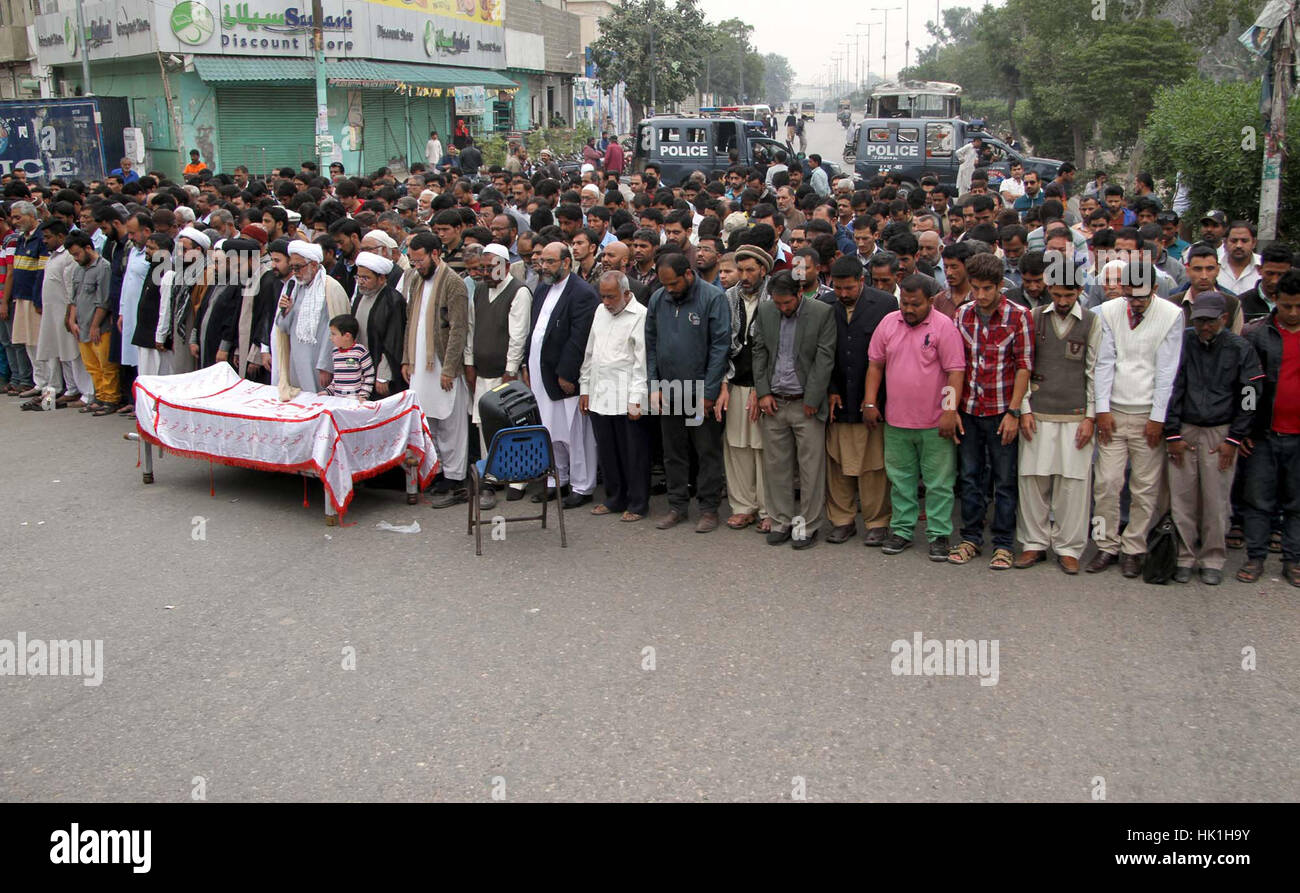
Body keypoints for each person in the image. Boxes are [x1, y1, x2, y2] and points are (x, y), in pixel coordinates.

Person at [1088, 260, 1184, 576]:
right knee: (1106, 483)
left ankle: (1134, 548)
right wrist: (1101, 410)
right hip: (1113, 411)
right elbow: (1104, 363)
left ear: (1155, 290)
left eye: (1143, 296)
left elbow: (1167, 370)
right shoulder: (1108, 311)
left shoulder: (1171, 315)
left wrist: (1158, 418)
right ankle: (1106, 545)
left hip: (1147, 414)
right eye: (1131, 295)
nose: (1136, 302)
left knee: (1144, 487)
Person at [865, 273, 966, 559]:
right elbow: (875, 366)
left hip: (935, 423)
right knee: (900, 480)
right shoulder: (888, 323)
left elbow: (955, 371)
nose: (908, 309)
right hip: (896, 421)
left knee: (939, 484)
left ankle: (938, 535)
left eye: (915, 304)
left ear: (931, 301)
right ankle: (902, 530)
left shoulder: (944, 327)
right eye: (904, 303)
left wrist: (950, 410)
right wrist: (870, 403)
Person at [1164, 292, 1262, 585]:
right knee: (1182, 497)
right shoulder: (1184, 342)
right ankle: (1183, 555)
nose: (1204, 326)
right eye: (1199, 320)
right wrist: (1172, 432)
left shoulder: (1240, 348)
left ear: (1223, 318)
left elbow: (1250, 393)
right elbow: (1171, 386)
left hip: (1220, 431)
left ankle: (1212, 558)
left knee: (1216, 499)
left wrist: (1235, 438)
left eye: (1209, 320)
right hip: (1186, 427)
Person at [947, 253, 1035, 571]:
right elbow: (953, 366)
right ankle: (970, 537)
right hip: (968, 409)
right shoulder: (962, 315)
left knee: (1004, 480)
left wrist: (1014, 412)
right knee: (970, 478)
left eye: (987, 289)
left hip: (1001, 411)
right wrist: (951, 408)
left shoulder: (1019, 316)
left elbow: (1024, 366)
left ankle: (1003, 544)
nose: (981, 296)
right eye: (976, 288)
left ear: (1000, 286)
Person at [1013, 264, 1100, 574]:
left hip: (1075, 415)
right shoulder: (1034, 318)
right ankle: (1033, 544)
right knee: (1033, 482)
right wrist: (1022, 409)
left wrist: (1091, 417)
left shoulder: (1091, 321)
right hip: (1037, 412)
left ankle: (1068, 548)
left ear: (1079, 292)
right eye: (1058, 294)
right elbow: (1022, 365)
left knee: (1073, 485)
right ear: (1050, 290)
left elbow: (1094, 372)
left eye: (1069, 295)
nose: (1063, 301)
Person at [751, 270, 837, 549]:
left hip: (806, 404)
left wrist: (813, 397)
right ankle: (780, 522)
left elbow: (825, 358)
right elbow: (759, 352)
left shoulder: (822, 313)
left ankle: (807, 526)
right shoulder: (766, 311)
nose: (783, 308)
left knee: (811, 469)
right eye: (778, 303)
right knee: (776, 467)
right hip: (774, 402)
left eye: (787, 303)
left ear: (800, 293)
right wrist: (762, 392)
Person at [645, 252, 730, 532]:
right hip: (669, 390)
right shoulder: (659, 299)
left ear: (689, 274)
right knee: (673, 452)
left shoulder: (712, 298)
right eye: (665, 284)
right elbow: (651, 343)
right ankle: (677, 506)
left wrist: (709, 391)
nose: (669, 290)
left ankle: (708, 509)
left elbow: (720, 347)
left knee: (706, 451)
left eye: (673, 284)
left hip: (699, 391)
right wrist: (654, 385)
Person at [825, 255, 896, 546]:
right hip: (838, 398)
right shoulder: (826, 306)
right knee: (837, 463)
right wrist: (829, 388)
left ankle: (877, 522)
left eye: (849, 288)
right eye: (838, 288)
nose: (843, 294)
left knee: (873, 466)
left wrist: (877, 399)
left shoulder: (885, 305)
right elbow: (821, 353)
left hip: (872, 399)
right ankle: (842, 520)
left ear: (862, 282)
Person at [524, 241, 600, 509]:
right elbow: (535, 331)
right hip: (540, 373)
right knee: (549, 429)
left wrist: (567, 374)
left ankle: (582, 486)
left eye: (550, 262)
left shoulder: (582, 293)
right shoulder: (543, 288)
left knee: (574, 434)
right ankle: (557, 480)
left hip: (565, 378)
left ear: (566, 263)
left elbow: (579, 339)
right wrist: (526, 365)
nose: (544, 267)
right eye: (542, 261)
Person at [1236, 271, 1300, 588]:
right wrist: (1244, 429)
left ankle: (1294, 560)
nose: (1292, 313)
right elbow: (1245, 387)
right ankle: (1256, 557)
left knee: (1296, 503)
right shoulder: (1255, 334)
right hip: (1263, 435)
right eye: (1287, 306)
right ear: (1275, 301)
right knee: (1258, 500)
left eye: (1298, 306)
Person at [402, 232, 471, 508]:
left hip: (443, 364)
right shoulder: (416, 280)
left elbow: (458, 329)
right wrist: (407, 359)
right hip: (420, 364)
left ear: (435, 254)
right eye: (412, 260)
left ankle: (456, 478)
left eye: (420, 260)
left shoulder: (454, 283)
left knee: (450, 423)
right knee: (429, 422)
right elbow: (411, 323)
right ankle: (439, 471)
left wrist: (450, 369)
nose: (416, 266)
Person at [465, 243, 532, 509]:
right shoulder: (480, 291)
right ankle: (491, 478)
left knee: (513, 425)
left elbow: (518, 335)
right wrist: (469, 362)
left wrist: (510, 370)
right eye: (481, 268)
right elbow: (472, 328)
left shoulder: (519, 291)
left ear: (504, 266)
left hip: (506, 375)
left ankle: (518, 479)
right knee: (484, 426)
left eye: (488, 267)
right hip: (482, 372)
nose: (483, 273)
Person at [580, 271, 651, 522]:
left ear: (626, 293)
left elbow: (642, 363)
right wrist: (585, 388)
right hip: (600, 393)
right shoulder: (600, 312)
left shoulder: (640, 315)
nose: (607, 302)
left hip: (626, 396)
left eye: (611, 297)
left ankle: (637, 503)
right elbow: (590, 353)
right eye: (603, 297)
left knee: (633, 454)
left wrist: (637, 400)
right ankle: (613, 498)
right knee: (608, 452)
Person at [719, 244, 772, 532]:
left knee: (763, 449)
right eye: (740, 270)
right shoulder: (728, 297)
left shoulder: (774, 297)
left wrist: (760, 387)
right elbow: (722, 343)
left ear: (763, 270)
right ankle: (743, 507)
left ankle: (768, 509)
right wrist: (723, 383)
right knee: (736, 446)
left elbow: (774, 347)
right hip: (733, 382)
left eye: (750, 269)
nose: (744, 275)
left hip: (764, 386)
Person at [273, 239, 350, 401]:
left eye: (298, 267)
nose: (294, 272)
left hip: (318, 363)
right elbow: (284, 328)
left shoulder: (330, 289)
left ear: (313, 265)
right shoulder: (295, 287)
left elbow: (337, 333)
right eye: (292, 267)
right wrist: (285, 313)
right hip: (296, 359)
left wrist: (326, 366)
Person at [65, 230, 119, 413]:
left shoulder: (103, 267)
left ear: (88, 248)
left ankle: (110, 399)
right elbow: (74, 298)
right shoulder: (78, 269)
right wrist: (72, 321)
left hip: (99, 327)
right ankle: (99, 397)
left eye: (77, 254)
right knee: (92, 366)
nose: (75, 258)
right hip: (82, 326)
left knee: (106, 366)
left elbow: (103, 301)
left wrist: (95, 325)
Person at [348, 251, 406, 398]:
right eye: (358, 277)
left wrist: (383, 376)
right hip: (361, 370)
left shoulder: (393, 301)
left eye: (366, 278)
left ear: (381, 278)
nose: (360, 282)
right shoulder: (360, 297)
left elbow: (394, 340)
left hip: (380, 374)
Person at [322, 314, 375, 401]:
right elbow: (337, 378)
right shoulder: (335, 352)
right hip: (338, 400)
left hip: (355, 401)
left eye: (333, 334)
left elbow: (369, 375)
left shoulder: (360, 351)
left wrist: (363, 395)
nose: (331, 338)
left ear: (347, 336)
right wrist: (328, 391)